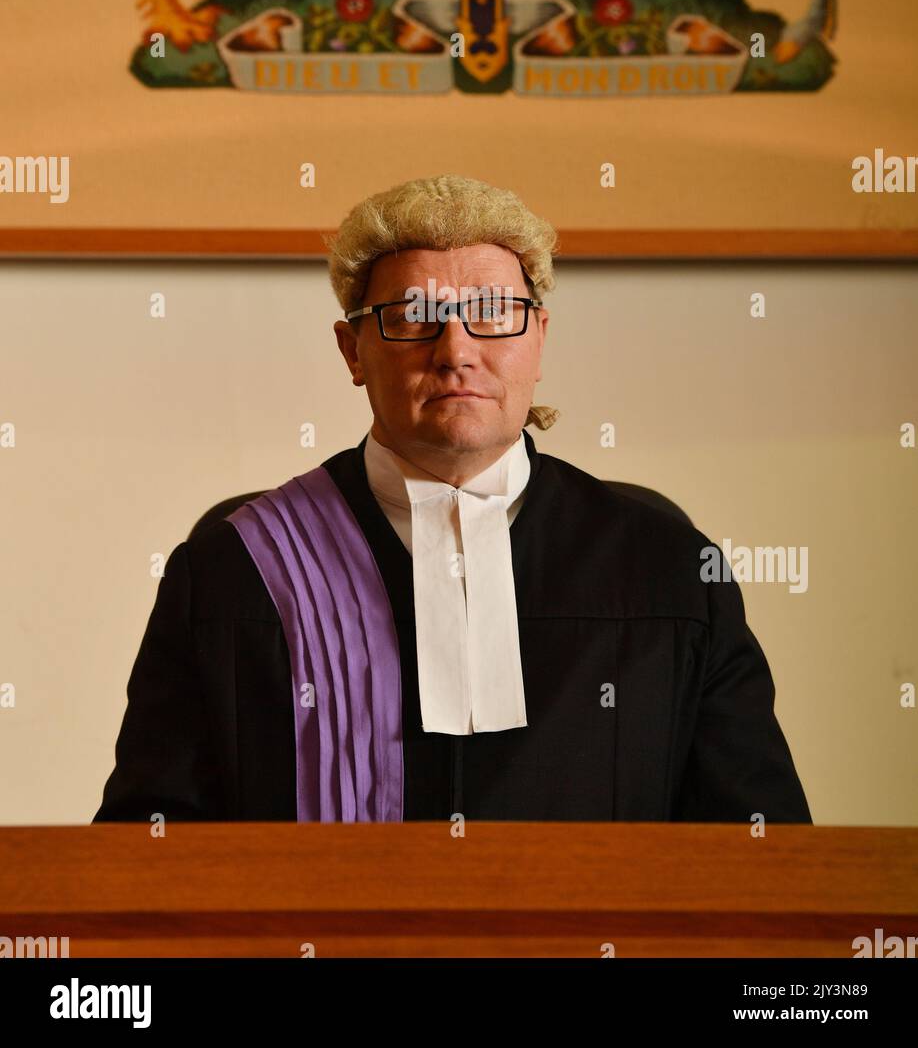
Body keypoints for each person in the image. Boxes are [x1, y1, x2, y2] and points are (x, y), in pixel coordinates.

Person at [93, 174, 811, 824]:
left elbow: (763, 857)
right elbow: (148, 852)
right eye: (412, 316)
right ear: (352, 351)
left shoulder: (671, 570)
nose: (456, 349)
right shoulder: (232, 569)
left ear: (539, 338)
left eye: (494, 312)